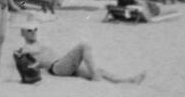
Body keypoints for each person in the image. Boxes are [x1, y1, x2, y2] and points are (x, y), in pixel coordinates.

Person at [16, 24, 145, 84]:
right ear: (23, 33)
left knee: (99, 69)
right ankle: (96, 78)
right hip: (56, 68)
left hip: (64, 65)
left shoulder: (39, 43)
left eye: (35, 29)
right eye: (29, 30)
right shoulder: (26, 48)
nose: (33, 32)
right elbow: (31, 63)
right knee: (84, 45)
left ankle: (128, 80)